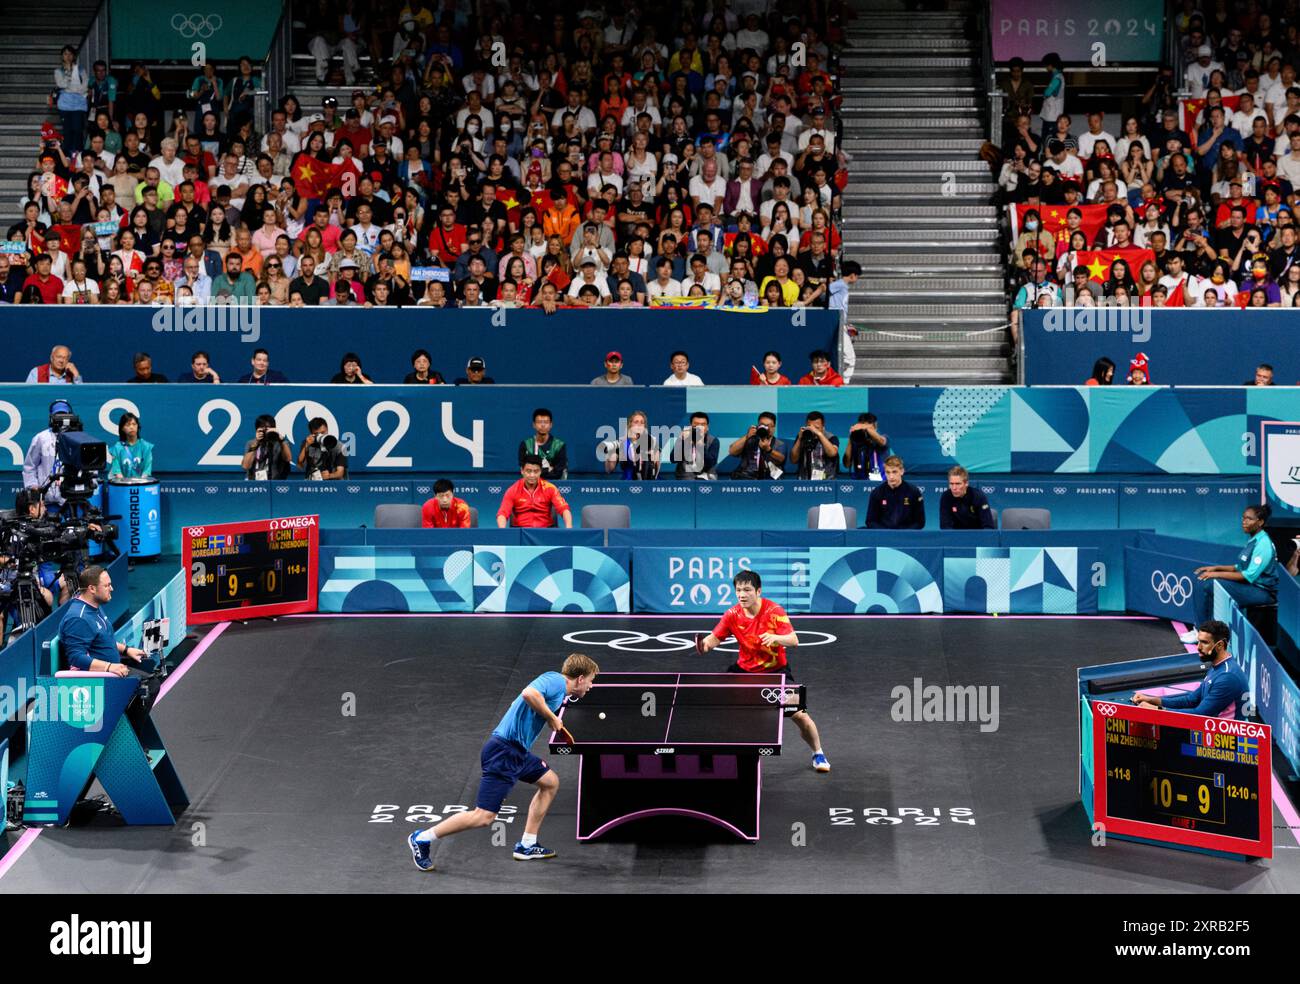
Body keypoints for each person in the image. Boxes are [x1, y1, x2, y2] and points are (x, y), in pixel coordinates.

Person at [407, 653, 601, 870]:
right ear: (580, 678)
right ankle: (422, 838)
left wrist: (551, 719)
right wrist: (551, 717)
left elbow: (532, 709)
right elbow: (528, 694)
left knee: (550, 783)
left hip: (518, 753)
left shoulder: (558, 693)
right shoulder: (556, 680)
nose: (591, 686)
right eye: (592, 680)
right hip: (503, 752)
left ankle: (527, 845)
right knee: (483, 817)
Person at [693, 570, 830, 773]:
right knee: (719, 707)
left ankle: (818, 753)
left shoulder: (774, 611)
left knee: (800, 715)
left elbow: (794, 640)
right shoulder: (732, 615)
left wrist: (776, 638)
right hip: (744, 671)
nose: (742, 594)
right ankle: (720, 753)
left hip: (776, 672)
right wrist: (702, 646)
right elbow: (711, 642)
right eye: (738, 590)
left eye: (747, 590)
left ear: (758, 591)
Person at [58, 566, 157, 714]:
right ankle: (125, 731)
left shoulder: (93, 605)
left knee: (150, 669)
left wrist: (126, 649)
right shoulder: (78, 618)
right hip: (96, 679)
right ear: (92, 588)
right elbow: (76, 658)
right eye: (107, 585)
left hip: (109, 671)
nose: (112, 589)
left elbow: (102, 638)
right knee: (151, 685)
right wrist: (109, 667)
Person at [1181, 504, 1278, 636]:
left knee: (1208, 584)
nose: (1244, 521)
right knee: (1201, 579)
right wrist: (1215, 568)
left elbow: (1247, 575)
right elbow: (1239, 567)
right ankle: (1201, 629)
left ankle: (1202, 633)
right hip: (1251, 586)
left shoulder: (1263, 544)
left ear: (1260, 522)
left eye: (1249, 519)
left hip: (1262, 592)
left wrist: (1215, 574)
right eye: (1243, 518)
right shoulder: (1253, 539)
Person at [1133, 620, 1249, 720]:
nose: (1198, 647)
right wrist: (1151, 700)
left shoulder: (1227, 677)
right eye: (1198, 641)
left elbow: (1199, 715)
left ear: (1220, 645)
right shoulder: (1218, 667)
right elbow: (1191, 700)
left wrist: (1157, 710)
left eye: (1204, 642)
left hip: (1226, 741)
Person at [497, 456, 573, 528]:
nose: (532, 475)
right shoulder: (513, 490)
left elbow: (564, 509)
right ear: (522, 471)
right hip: (521, 532)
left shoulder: (550, 488)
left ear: (540, 471)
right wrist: (502, 531)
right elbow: (503, 513)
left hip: (545, 531)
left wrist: (569, 528)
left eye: (536, 471)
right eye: (528, 471)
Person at [865, 456, 925, 529]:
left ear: (902, 471)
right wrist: (886, 534)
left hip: (906, 537)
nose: (891, 477)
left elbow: (920, 522)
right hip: (883, 536)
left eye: (894, 472)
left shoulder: (913, 492)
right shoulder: (877, 492)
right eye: (888, 472)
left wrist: (904, 534)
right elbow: (870, 521)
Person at [728, 411, 787, 479]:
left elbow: (781, 459)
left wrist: (768, 449)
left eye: (768, 426)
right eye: (762, 425)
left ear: (774, 427)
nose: (765, 428)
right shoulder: (750, 440)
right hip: (746, 476)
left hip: (770, 478)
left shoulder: (779, 443)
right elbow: (732, 451)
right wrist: (747, 436)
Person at [605, 409, 661, 479]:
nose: (639, 424)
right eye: (636, 422)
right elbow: (609, 470)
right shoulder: (622, 443)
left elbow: (656, 470)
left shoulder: (651, 441)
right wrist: (610, 457)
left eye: (642, 422)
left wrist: (654, 457)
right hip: (628, 483)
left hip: (649, 482)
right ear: (630, 424)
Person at [518, 408, 567, 479]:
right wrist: (548, 469)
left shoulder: (559, 445)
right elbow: (525, 472)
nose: (543, 425)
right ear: (534, 425)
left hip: (553, 486)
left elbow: (558, 473)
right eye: (539, 422)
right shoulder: (525, 445)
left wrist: (535, 471)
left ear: (551, 425)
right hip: (532, 486)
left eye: (546, 422)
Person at [241, 413, 292, 480]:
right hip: (254, 483)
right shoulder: (251, 443)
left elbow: (288, 459)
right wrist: (256, 444)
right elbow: (245, 466)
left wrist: (281, 440)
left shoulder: (282, 443)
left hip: (275, 482)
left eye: (268, 428)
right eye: (263, 429)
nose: (265, 432)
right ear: (257, 430)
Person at [790, 411, 839, 480]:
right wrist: (799, 439)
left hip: (826, 481)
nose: (813, 430)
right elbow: (793, 460)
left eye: (816, 427)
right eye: (810, 427)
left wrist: (819, 434)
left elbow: (832, 453)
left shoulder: (831, 437)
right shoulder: (802, 437)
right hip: (804, 480)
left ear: (823, 426)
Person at [673, 411, 719, 480]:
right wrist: (682, 441)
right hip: (685, 478)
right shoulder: (684, 437)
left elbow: (711, 463)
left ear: (707, 427)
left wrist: (700, 445)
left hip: (707, 478)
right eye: (696, 424)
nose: (699, 427)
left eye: (703, 424)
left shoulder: (713, 441)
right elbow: (673, 459)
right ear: (690, 425)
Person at [843, 413, 889, 480]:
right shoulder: (857, 442)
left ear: (875, 426)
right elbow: (847, 465)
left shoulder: (884, 438)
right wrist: (851, 437)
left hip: (880, 482)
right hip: (860, 483)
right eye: (862, 428)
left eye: (867, 427)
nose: (865, 431)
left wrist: (866, 428)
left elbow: (881, 441)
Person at [107, 411, 153, 479]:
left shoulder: (146, 446)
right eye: (128, 425)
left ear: (138, 426)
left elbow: (146, 471)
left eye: (134, 424)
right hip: (123, 486)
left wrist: (139, 484)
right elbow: (117, 472)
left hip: (141, 485)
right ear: (122, 428)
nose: (131, 427)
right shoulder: (117, 448)